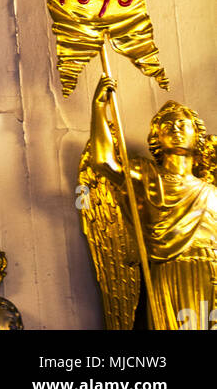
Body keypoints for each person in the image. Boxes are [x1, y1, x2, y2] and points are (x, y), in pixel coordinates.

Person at [89, 76, 217, 330]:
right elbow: (103, 162)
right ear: (156, 139)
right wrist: (98, 108)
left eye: (183, 124)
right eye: (167, 126)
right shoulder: (145, 177)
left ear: (197, 135)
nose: (176, 129)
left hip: (211, 272)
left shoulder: (211, 191)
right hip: (169, 272)